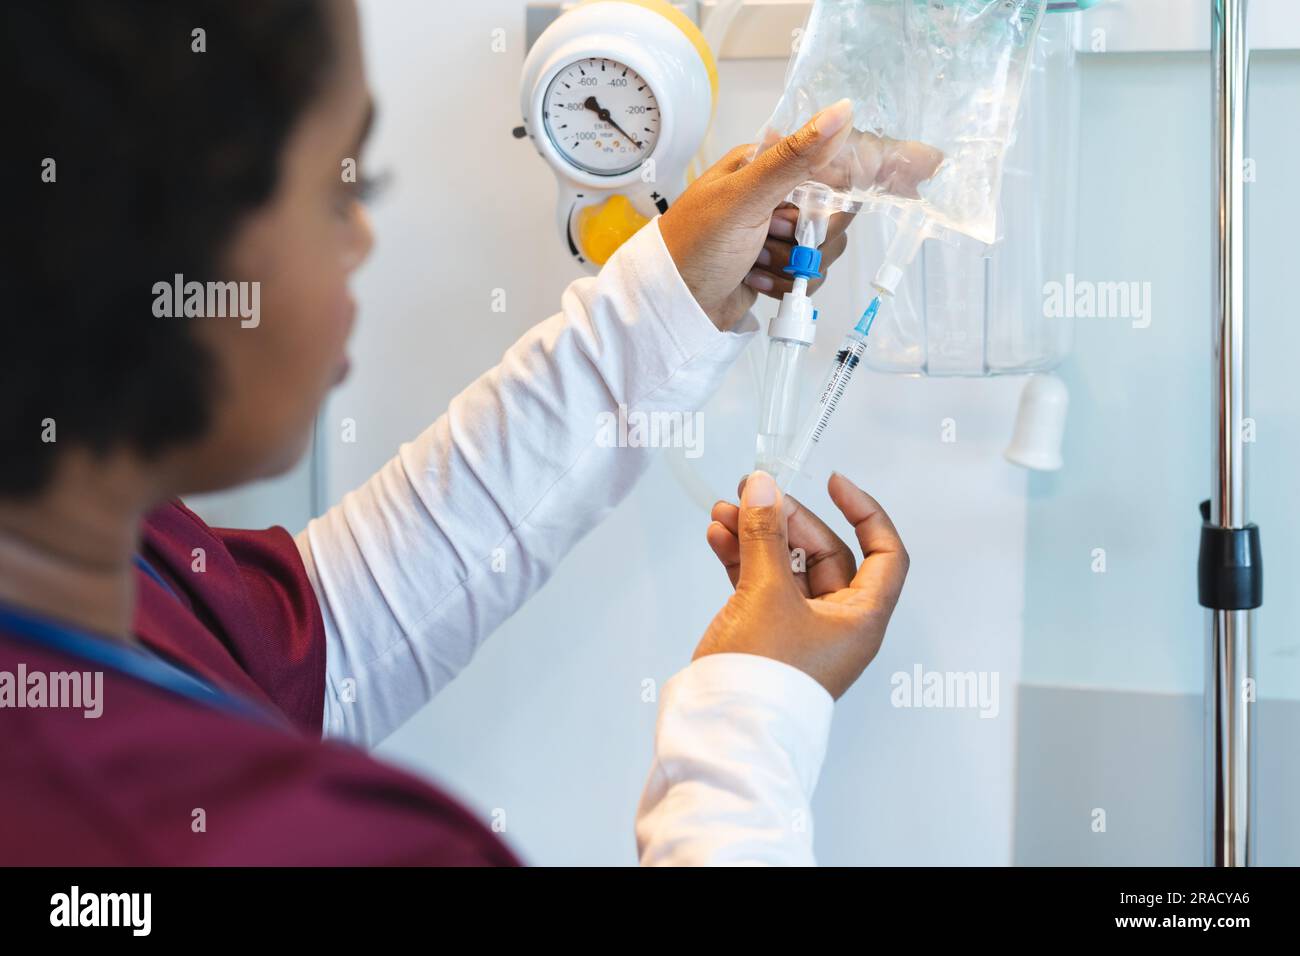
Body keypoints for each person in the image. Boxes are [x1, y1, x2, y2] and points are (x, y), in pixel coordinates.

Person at [0, 0, 907, 865]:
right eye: (338, 187)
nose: (358, 239)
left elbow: (322, 649)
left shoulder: (115, 569)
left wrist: (665, 304)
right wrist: (751, 725)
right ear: (149, 231)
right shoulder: (281, 844)